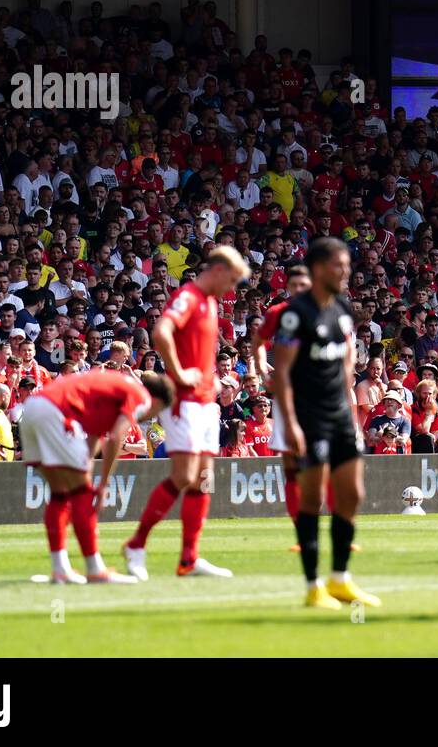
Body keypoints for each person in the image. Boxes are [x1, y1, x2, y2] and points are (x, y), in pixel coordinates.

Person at [122, 246, 250, 581]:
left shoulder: (209, 302)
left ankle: (189, 558)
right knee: (183, 476)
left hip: (206, 402)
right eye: (232, 280)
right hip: (184, 402)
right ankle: (136, 545)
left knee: (203, 480)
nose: (232, 289)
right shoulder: (189, 296)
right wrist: (178, 373)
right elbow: (161, 332)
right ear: (219, 271)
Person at [268, 237, 379, 610]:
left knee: (353, 494)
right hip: (309, 415)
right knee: (313, 498)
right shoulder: (295, 314)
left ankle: (340, 579)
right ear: (318, 269)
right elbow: (281, 372)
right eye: (338, 265)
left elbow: (346, 357)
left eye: (346, 264)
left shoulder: (343, 309)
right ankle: (314, 586)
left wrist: (347, 397)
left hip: (339, 415)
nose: (345, 271)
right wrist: (292, 422)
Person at [20, 368, 173, 584]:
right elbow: (116, 437)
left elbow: (94, 437)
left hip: (34, 408)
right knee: (82, 492)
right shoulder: (140, 396)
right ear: (157, 401)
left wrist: (88, 468)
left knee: (60, 494)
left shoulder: (112, 393)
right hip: (55, 412)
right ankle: (94, 569)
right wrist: (103, 484)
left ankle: (60, 569)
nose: (151, 415)